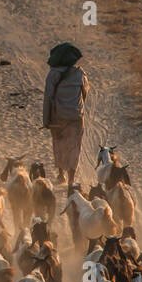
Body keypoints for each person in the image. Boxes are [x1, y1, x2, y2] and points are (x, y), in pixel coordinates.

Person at [42, 42, 90, 186]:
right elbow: (85, 93)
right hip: (76, 117)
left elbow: (48, 98)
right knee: (74, 146)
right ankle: (71, 179)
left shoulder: (52, 75)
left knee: (59, 144)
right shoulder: (80, 73)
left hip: (58, 117)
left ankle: (61, 175)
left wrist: (46, 120)